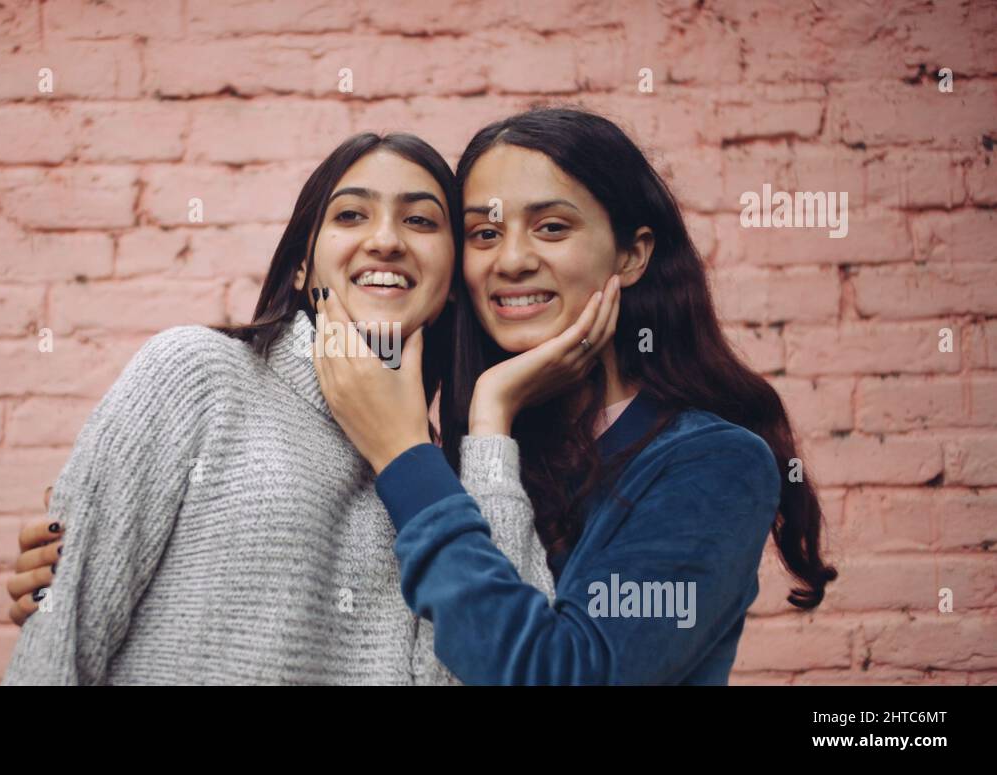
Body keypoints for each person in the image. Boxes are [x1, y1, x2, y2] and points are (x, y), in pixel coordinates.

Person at [1, 132, 553, 685]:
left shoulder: (446, 484)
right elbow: (58, 643)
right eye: (352, 215)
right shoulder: (196, 374)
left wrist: (488, 425)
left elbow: (506, 669)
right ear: (302, 270)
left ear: (452, 284)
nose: (385, 240)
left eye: (420, 221)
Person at [312, 107, 838, 685]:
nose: (511, 260)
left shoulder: (713, 464)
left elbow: (560, 674)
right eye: (485, 234)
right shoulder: (485, 450)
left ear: (632, 254)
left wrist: (407, 453)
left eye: (552, 227)